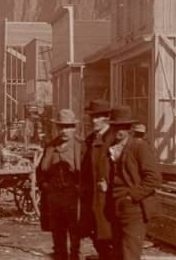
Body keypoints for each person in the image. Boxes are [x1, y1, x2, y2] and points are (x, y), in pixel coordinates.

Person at [105, 106, 161, 260]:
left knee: (130, 253)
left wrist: (132, 196)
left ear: (129, 128)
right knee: (117, 252)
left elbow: (154, 178)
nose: (119, 131)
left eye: (123, 127)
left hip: (134, 208)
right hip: (115, 206)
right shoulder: (111, 148)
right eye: (115, 126)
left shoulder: (139, 146)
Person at [38, 109, 87, 260]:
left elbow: (87, 172)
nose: (65, 131)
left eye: (69, 127)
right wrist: (44, 185)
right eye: (62, 127)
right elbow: (40, 170)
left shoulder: (81, 146)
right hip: (54, 197)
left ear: (74, 128)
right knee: (57, 234)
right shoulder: (50, 146)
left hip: (73, 196)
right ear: (57, 128)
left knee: (74, 233)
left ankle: (74, 256)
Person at [79, 99, 115, 259]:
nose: (94, 120)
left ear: (106, 118)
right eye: (92, 117)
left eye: (98, 117)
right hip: (91, 196)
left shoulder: (113, 139)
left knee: (109, 236)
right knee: (95, 234)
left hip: (108, 198)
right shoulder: (90, 138)